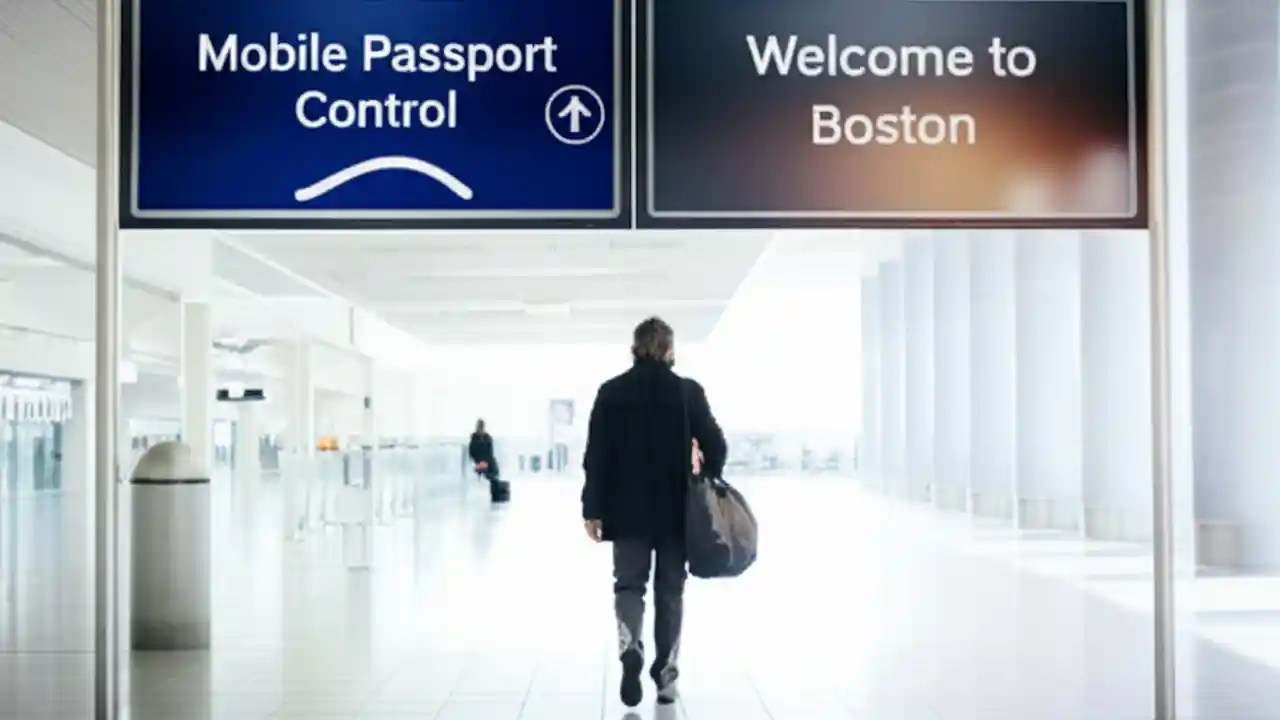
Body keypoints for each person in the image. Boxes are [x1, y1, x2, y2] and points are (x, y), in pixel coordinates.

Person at [581, 317, 727, 708]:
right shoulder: (687, 393)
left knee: (628, 586)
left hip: (625, 513)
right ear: (669, 350)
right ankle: (665, 674)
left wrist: (592, 510)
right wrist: (705, 476)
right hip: (676, 511)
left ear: (635, 348)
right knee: (670, 591)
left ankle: (631, 648)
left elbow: (596, 457)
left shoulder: (611, 393)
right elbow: (717, 445)